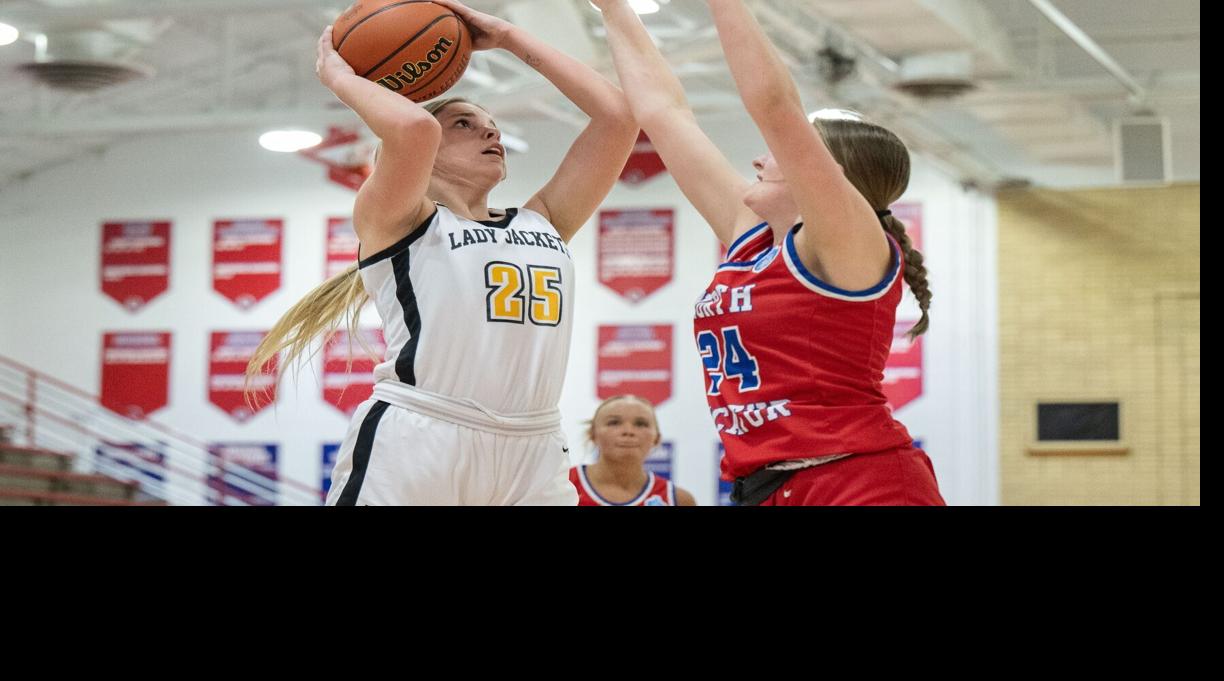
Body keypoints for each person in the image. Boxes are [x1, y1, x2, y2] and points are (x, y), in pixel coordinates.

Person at [247, 0, 637, 505]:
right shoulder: (399, 221)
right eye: (464, 124)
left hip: (534, 445)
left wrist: (511, 37)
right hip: (422, 435)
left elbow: (620, 117)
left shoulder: (542, 220)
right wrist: (339, 77)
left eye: (490, 123)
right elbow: (413, 130)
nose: (491, 131)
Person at [598, 0, 944, 506]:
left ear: (826, 176)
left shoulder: (850, 243)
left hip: (860, 482)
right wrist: (611, 8)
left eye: (779, 150)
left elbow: (775, 106)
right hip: (768, 485)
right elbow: (663, 113)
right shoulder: (750, 236)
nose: (759, 157)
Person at [568, 395, 697, 506]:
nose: (628, 431)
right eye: (614, 422)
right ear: (592, 434)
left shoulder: (678, 499)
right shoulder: (562, 484)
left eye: (641, 424)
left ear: (657, 438)